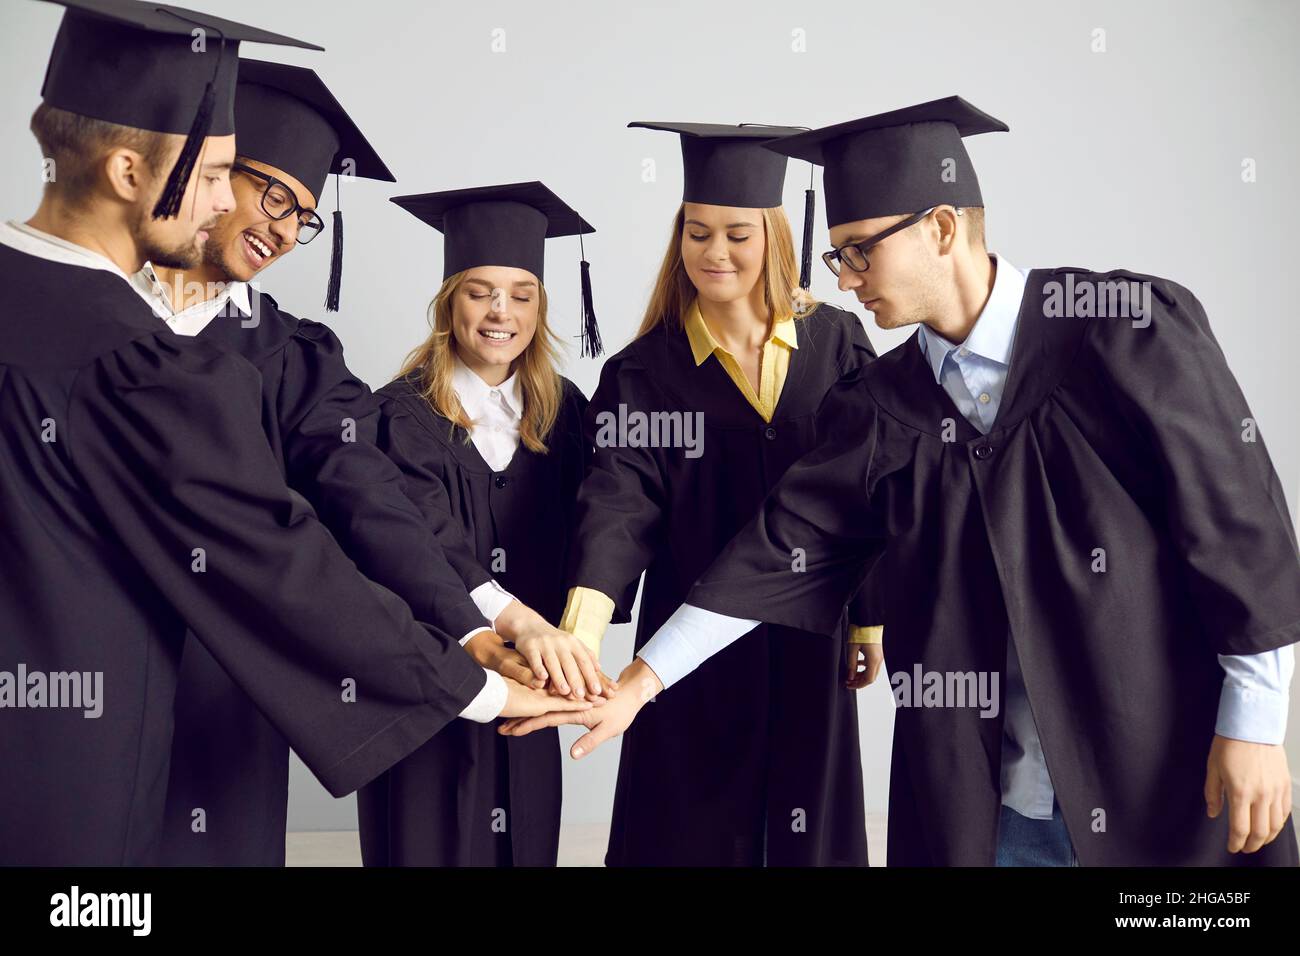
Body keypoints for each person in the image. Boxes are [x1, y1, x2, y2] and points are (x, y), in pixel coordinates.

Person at [503, 96, 1300, 868]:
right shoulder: (879, 407)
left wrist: (1258, 725)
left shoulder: (1123, 330)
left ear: (942, 228)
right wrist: (637, 685)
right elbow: (779, 550)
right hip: (991, 806)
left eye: (859, 251)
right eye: (837, 255)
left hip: (1161, 778)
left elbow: (1241, 529)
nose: (844, 280)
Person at [0, 0, 587, 867]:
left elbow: (370, 501)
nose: (277, 227)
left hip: (233, 696)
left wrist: (480, 618)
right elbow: (271, 547)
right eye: (245, 183)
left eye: (302, 214)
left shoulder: (291, 354)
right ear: (136, 171)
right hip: (98, 713)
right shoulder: (132, 354)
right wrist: (470, 686)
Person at [541, 122, 884, 866]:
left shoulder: (836, 345)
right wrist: (583, 628)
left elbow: (866, 495)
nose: (714, 253)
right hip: (684, 643)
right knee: (689, 828)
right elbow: (617, 502)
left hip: (805, 635)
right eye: (697, 234)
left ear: (773, 237)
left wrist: (867, 622)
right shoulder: (646, 372)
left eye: (736, 234)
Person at [356, 181, 608, 866]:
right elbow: (419, 544)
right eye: (480, 292)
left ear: (540, 308)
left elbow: (604, 528)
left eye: (521, 295)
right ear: (449, 304)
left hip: (530, 692)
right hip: (427, 691)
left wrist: (570, 644)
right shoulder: (397, 416)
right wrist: (516, 625)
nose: (501, 313)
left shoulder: (568, 415)